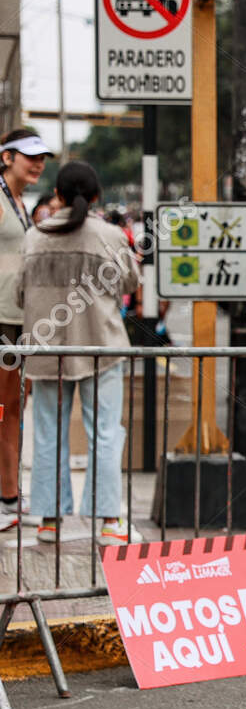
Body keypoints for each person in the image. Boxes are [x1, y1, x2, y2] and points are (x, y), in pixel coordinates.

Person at [17, 161, 139, 545]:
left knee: (48, 433)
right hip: (101, 348)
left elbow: (19, 293)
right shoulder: (110, 236)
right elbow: (130, 283)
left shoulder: (34, 237)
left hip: (46, 351)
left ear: (58, 194)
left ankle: (50, 520)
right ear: (97, 195)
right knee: (105, 432)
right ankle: (108, 522)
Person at [0, 129, 54, 530]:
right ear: (6, 158)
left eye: (42, 158)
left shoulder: (21, 202)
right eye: (29, 156)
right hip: (2, 317)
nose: (38, 164)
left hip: (23, 318)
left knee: (14, 407)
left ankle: (9, 494)